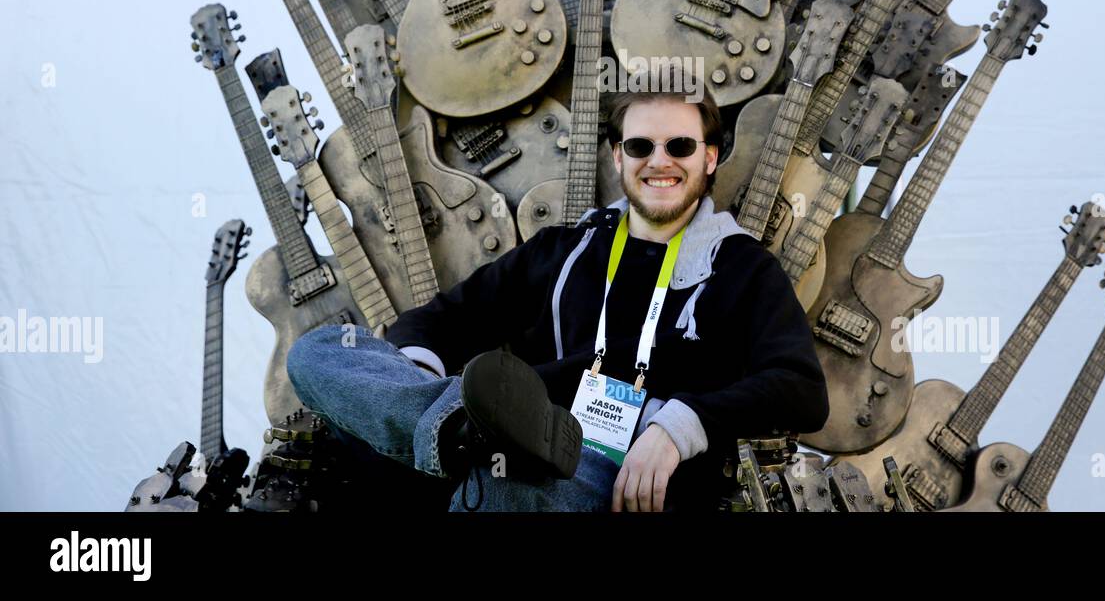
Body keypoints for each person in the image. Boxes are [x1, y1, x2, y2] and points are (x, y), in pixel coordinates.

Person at [286, 67, 829, 511]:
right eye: (640, 145)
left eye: (680, 145)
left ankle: (464, 438)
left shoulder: (742, 266)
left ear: (709, 158)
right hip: (506, 432)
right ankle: (454, 431)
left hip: (616, 470)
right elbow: (444, 319)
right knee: (319, 350)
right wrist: (418, 383)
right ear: (617, 157)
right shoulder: (565, 247)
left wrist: (677, 427)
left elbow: (800, 389)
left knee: (508, 487)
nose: (659, 161)